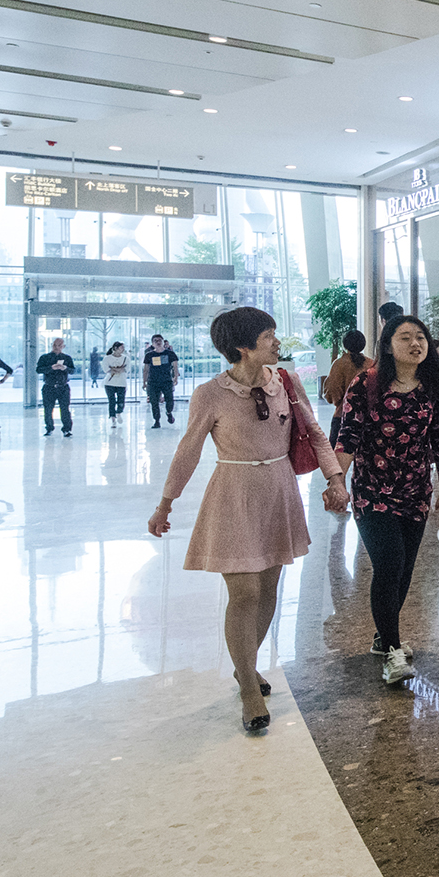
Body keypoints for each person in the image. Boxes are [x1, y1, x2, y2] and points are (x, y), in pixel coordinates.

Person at [148, 307, 348, 733]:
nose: (277, 342)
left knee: (269, 587)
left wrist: (335, 479)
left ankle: (246, 666)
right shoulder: (211, 394)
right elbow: (188, 450)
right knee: (244, 593)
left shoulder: (286, 382)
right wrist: (165, 503)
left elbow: (315, 433)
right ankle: (249, 691)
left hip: (278, 490)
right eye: (268, 335)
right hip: (233, 493)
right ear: (243, 347)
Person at [338, 313, 439, 685]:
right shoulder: (366, 383)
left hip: (415, 491)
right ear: (387, 345)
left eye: (420, 337)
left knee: (403, 569)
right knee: (389, 563)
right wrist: (336, 480)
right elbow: (348, 436)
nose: (415, 343)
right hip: (372, 490)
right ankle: (392, 651)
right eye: (405, 337)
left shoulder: (436, 386)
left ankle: (383, 636)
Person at [320, 328, 369, 459]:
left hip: (342, 417)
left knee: (337, 462)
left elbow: (332, 394)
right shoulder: (371, 364)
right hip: (367, 419)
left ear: (345, 344)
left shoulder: (339, 364)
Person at [36, 337, 77, 437]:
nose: (56, 347)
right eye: (54, 345)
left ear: (63, 346)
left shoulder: (67, 358)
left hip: (63, 387)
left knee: (65, 409)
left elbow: (72, 370)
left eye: (59, 345)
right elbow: (39, 370)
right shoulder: (45, 357)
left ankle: (67, 429)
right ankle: (49, 428)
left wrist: (65, 368)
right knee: (48, 409)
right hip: (49, 387)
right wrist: (51, 368)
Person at [142, 334, 179, 428]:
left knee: (169, 399)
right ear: (152, 343)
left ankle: (169, 412)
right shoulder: (149, 355)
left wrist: (175, 377)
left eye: (160, 340)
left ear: (163, 342)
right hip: (153, 382)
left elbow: (175, 366)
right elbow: (146, 369)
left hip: (166, 381)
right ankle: (157, 420)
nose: (158, 342)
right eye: (155, 341)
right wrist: (144, 382)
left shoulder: (170, 354)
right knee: (154, 402)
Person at [103, 341, 129, 419]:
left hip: (121, 382)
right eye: (121, 347)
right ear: (115, 348)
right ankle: (112, 416)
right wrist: (118, 369)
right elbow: (106, 369)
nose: (123, 349)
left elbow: (127, 369)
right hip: (109, 382)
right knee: (111, 400)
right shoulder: (107, 358)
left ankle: (119, 412)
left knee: (121, 400)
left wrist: (114, 369)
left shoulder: (126, 358)